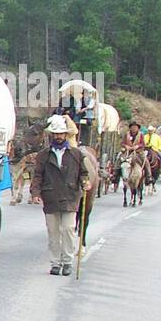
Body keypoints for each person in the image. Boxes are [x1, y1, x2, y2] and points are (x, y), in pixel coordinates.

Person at [30, 114, 92, 276]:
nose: (58, 137)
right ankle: (55, 263)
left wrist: (85, 182)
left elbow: (83, 173)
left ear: (65, 135)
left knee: (68, 229)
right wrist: (35, 192)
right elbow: (37, 175)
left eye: (61, 134)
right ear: (52, 135)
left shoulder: (76, 154)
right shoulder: (43, 155)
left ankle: (67, 262)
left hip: (70, 196)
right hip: (50, 197)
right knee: (53, 232)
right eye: (55, 134)